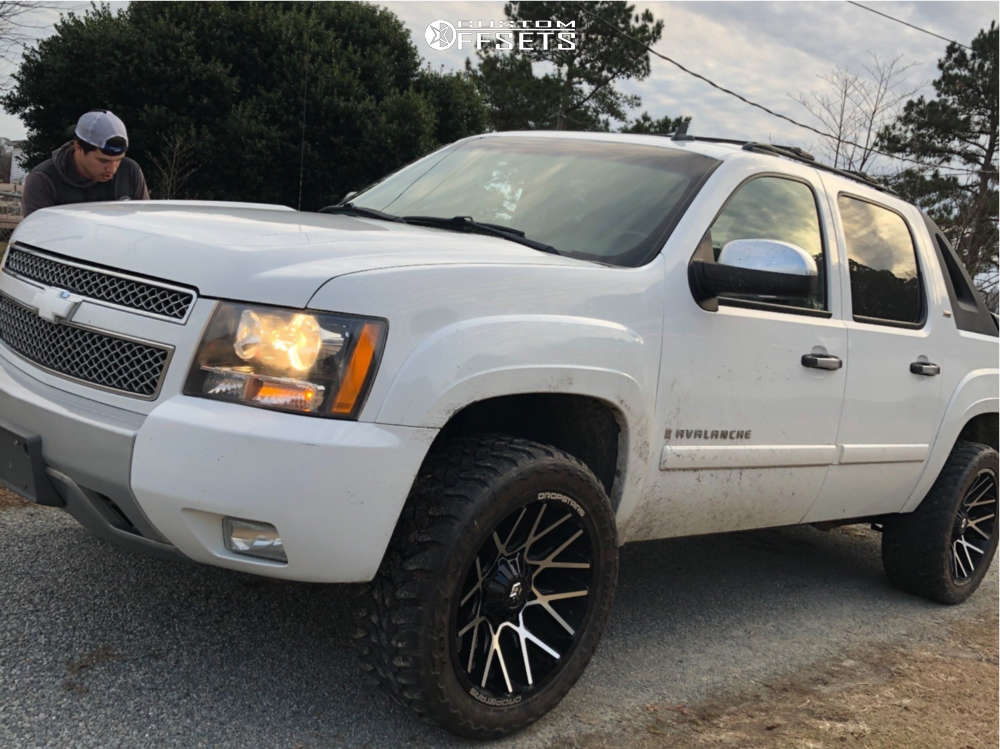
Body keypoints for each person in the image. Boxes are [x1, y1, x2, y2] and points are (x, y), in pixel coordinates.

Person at [21, 109, 149, 217]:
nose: (112, 168)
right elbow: (37, 235)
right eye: (103, 160)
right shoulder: (43, 180)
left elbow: (142, 223)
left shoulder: (130, 171)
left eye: (119, 160)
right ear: (78, 147)